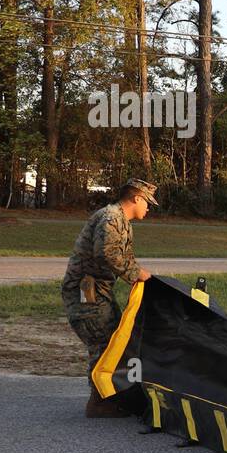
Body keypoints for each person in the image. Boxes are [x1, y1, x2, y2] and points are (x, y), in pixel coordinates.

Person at [61, 179, 155, 417]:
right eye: (147, 202)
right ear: (136, 198)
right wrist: (138, 275)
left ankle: (109, 397)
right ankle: (99, 403)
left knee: (113, 339)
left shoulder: (122, 221)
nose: (149, 208)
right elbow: (106, 254)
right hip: (87, 293)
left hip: (99, 291)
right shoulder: (111, 217)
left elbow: (122, 257)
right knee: (102, 342)